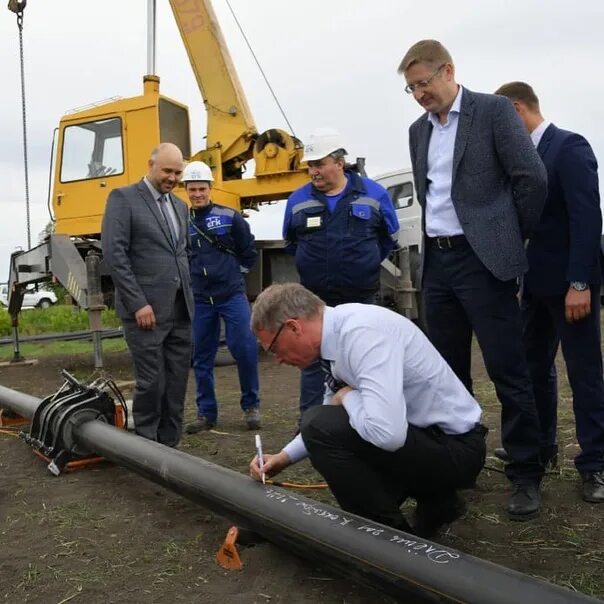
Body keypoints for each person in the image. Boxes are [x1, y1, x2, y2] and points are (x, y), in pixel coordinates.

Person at [399, 40, 548, 519]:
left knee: (509, 370)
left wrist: (507, 238)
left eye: (424, 83)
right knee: (445, 375)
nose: (420, 94)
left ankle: (525, 471)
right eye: (411, 88)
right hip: (438, 265)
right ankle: (456, 469)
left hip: (483, 261)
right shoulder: (417, 131)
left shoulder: (493, 113)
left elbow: (532, 178)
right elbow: (430, 195)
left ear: (448, 70)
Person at [249, 283, 487, 537]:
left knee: (318, 425)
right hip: (428, 440)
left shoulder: (363, 335)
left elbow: (387, 435)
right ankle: (437, 501)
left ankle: (388, 540)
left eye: (274, 349)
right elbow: (333, 411)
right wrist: (283, 458)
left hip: (456, 449)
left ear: (294, 327)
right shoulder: (337, 339)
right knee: (323, 424)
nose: (279, 359)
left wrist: (349, 397)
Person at [494, 82, 604, 503]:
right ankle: (541, 447)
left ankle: (595, 463)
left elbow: (586, 219)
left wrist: (580, 283)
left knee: (585, 373)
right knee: (532, 370)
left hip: (570, 287)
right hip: (533, 287)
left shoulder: (569, 147)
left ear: (517, 109)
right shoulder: (522, 160)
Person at [282, 128, 400, 419]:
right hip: (315, 301)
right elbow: (291, 243)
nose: (313, 171)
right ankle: (310, 425)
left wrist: (365, 263)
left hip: (360, 296)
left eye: (319, 164)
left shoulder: (374, 194)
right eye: (310, 166)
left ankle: (366, 419)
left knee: (363, 359)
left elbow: (389, 238)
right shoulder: (297, 200)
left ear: (339, 162)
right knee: (313, 360)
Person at [101, 143, 193, 447]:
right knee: (152, 382)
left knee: (177, 380)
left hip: (180, 310)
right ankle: (146, 448)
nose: (172, 177)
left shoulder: (180, 206)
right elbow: (115, 255)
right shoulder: (123, 199)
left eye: (178, 172)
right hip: (146, 312)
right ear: (151, 164)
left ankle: (170, 446)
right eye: (167, 170)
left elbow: (181, 254)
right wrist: (138, 302)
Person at [181, 161, 261, 433]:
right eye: (192, 189)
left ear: (210, 188)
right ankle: (206, 414)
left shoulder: (230, 216)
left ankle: (251, 406)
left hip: (231, 296)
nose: (197, 194)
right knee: (201, 358)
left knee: (246, 350)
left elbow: (248, 250)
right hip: (202, 300)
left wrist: (235, 275)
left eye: (202, 188)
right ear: (186, 190)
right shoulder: (183, 223)